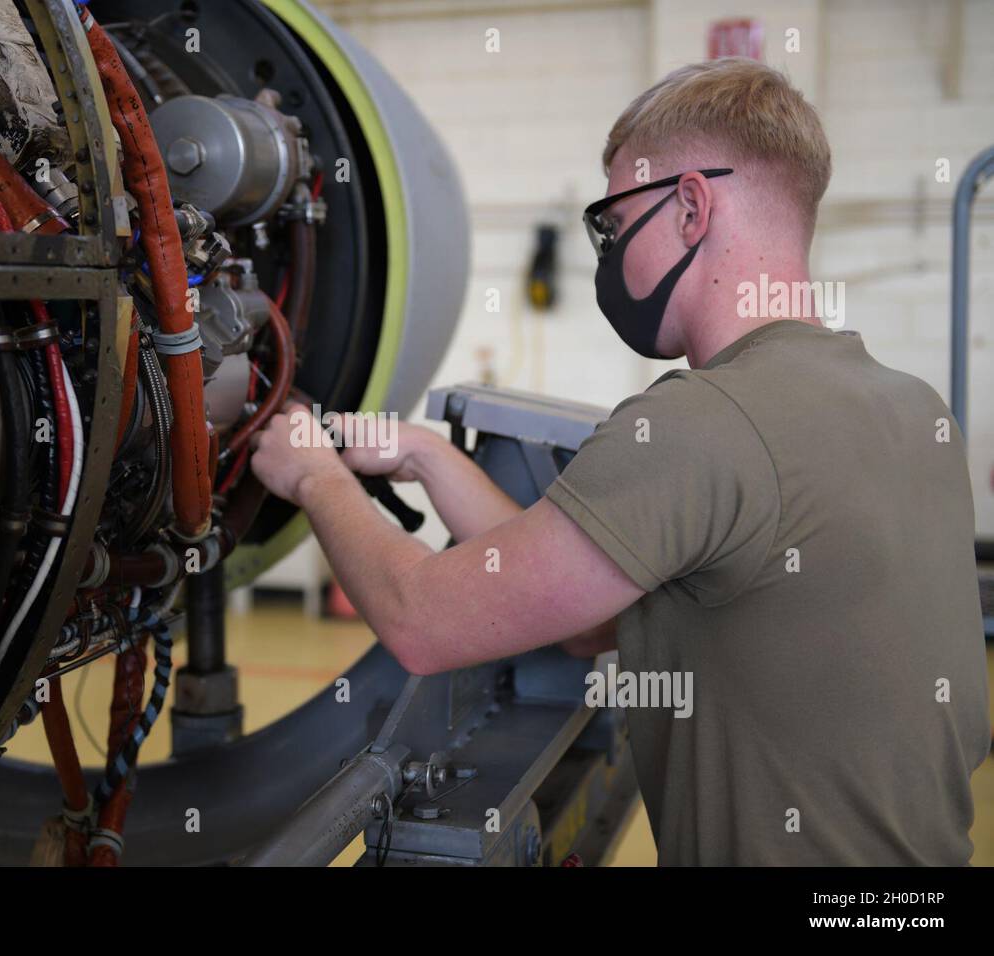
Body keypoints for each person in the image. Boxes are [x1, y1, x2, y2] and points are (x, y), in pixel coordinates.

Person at [248, 58, 990, 865]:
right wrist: (425, 455)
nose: (608, 255)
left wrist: (311, 474)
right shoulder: (917, 410)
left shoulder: (702, 424)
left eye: (612, 224)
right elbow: (583, 613)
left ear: (692, 207)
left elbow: (423, 622)